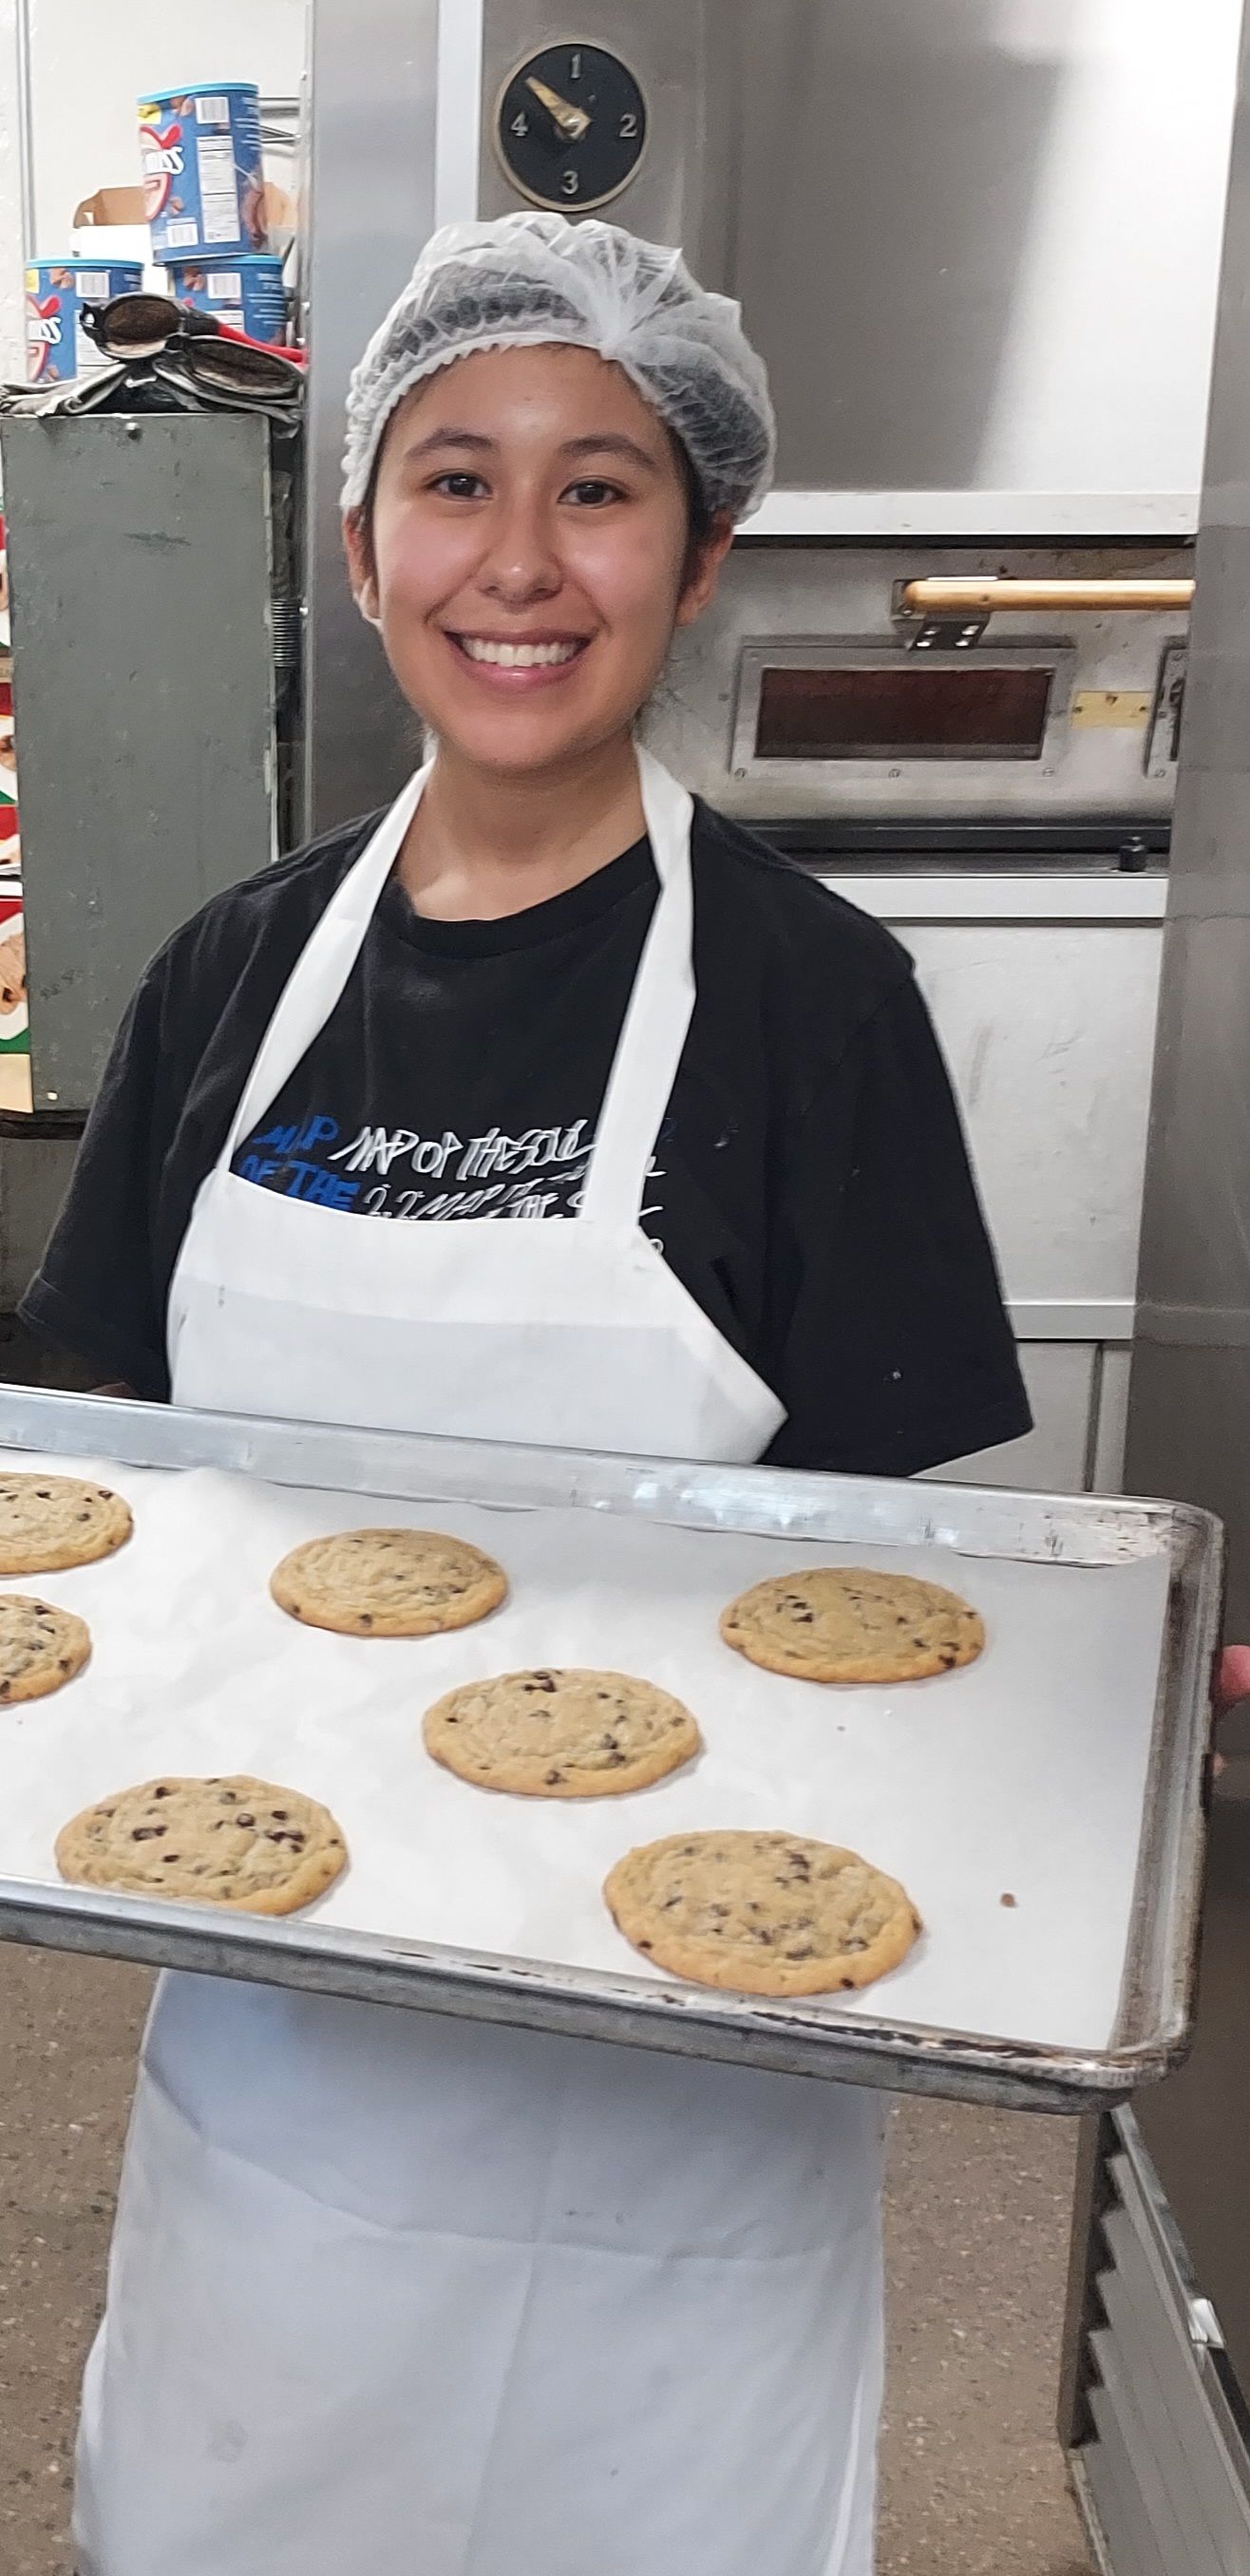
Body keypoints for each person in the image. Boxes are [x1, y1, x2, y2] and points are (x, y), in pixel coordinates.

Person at [23, 214, 1030, 2576]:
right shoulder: (229, 977)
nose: (520, 560)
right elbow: (111, 1502)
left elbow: (899, 1605)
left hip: (688, 2110)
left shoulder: (813, 1005)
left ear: (698, 557)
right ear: (363, 542)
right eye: (455, 480)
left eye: (601, 489)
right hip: (284, 2077)